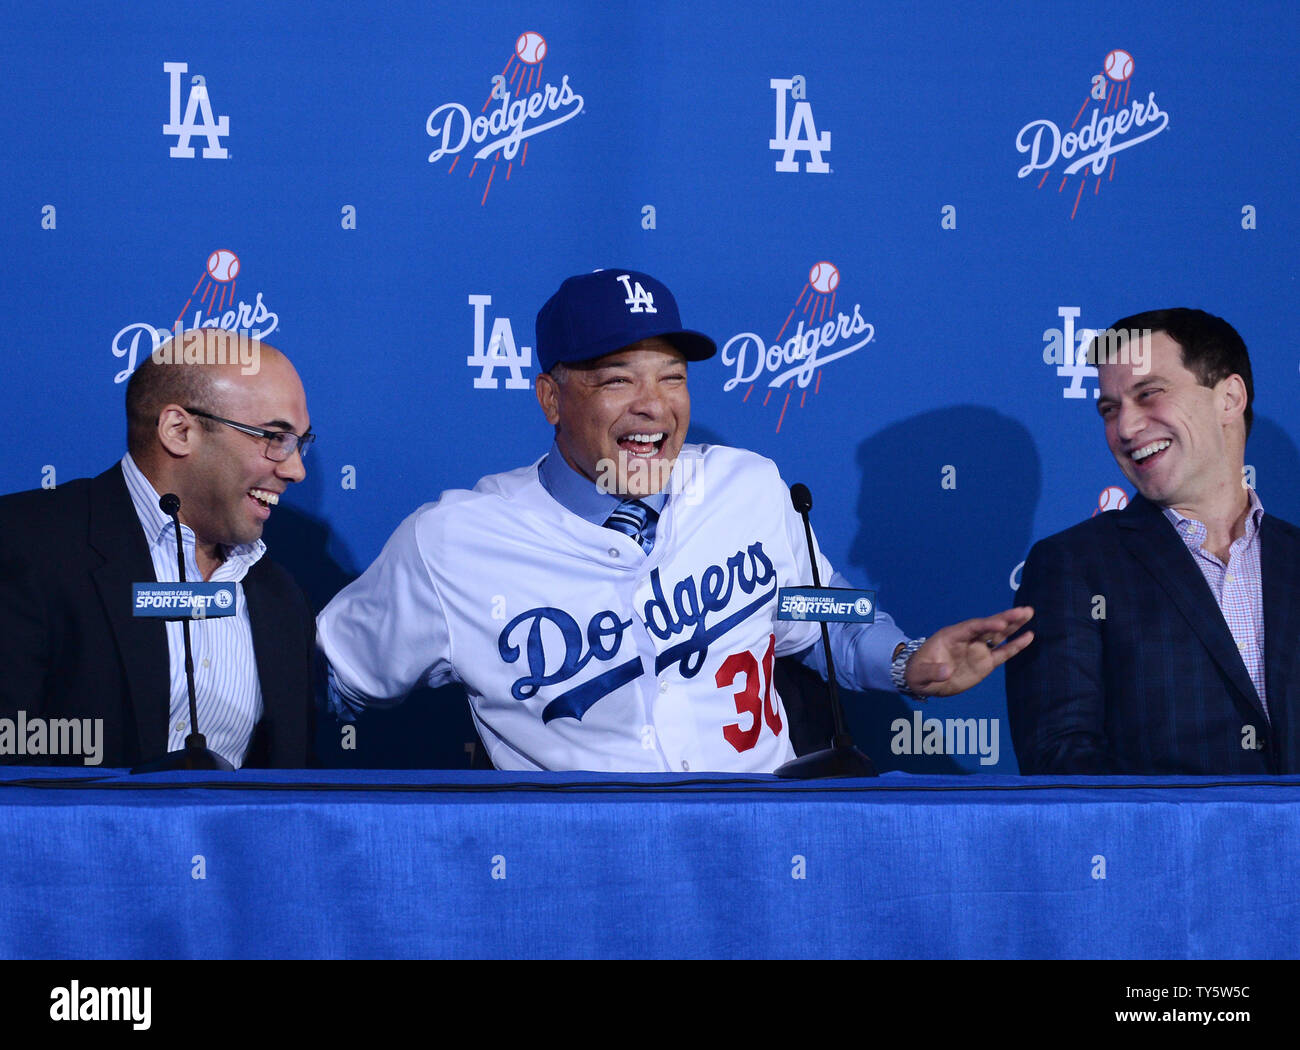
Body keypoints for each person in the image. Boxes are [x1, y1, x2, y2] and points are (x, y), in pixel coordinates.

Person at [318, 268, 1032, 772]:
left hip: (759, 844)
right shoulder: (453, 544)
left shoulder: (748, 488)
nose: (654, 405)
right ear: (551, 398)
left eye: (672, 377)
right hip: (577, 876)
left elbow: (827, 618)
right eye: (618, 379)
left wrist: (910, 662)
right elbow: (333, 685)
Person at [0, 328, 317, 768]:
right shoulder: (23, 544)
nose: (296, 469)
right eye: (273, 437)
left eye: (300, 442)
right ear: (179, 430)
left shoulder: (280, 598)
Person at [1007, 308, 1300, 774]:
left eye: (1149, 394)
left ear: (1229, 398)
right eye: (1110, 409)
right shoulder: (1071, 567)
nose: (1125, 428)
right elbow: (1060, 763)